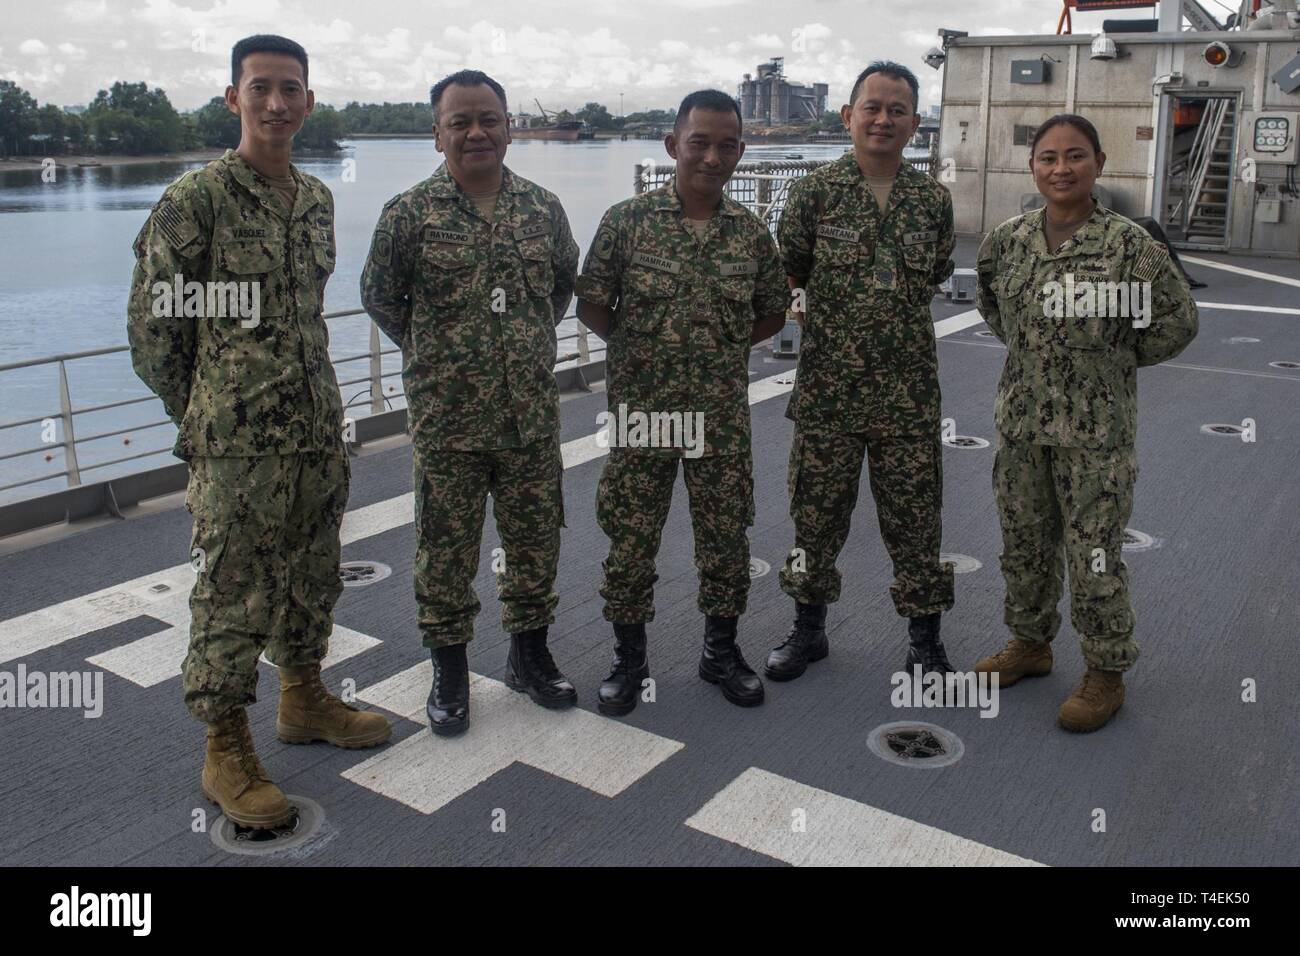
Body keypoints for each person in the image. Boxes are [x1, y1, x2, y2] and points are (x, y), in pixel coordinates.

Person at [127, 35, 390, 829]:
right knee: (232, 595)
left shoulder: (315, 199)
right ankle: (225, 748)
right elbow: (152, 332)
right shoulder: (195, 200)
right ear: (233, 97)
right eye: (261, 88)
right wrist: (209, 416)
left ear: (308, 102)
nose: (277, 103)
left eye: (291, 89)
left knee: (313, 576)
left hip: (316, 432)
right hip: (236, 450)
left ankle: (303, 698)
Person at [361, 70, 579, 736]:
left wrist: (516, 348)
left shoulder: (543, 209)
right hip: (447, 422)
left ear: (510, 126)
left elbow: (561, 288)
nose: (476, 132)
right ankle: (449, 672)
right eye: (460, 122)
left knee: (534, 544)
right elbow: (381, 298)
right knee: (445, 551)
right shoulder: (408, 215)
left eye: (489, 119)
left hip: (530, 419)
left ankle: (530, 656)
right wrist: (441, 356)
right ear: (438, 135)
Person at [972, 113, 1198, 732]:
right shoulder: (1008, 240)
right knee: (1023, 543)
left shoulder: (1130, 246)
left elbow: (1178, 322)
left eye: (1075, 156)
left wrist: (1113, 360)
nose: (1061, 168)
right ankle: (1030, 643)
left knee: (1094, 552)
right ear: (1033, 167)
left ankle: (1105, 670)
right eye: (1048, 157)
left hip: (1095, 437)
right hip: (1021, 427)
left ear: (1099, 163)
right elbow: (992, 306)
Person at [575, 90, 787, 714]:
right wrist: (642, 352)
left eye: (727, 145)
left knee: (725, 537)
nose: (712, 156)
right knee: (632, 537)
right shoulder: (626, 222)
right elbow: (593, 302)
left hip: (718, 416)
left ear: (741, 152)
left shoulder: (750, 234)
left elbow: (771, 311)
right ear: (673, 146)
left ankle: (721, 652)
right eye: (700, 142)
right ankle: (628, 658)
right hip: (644, 412)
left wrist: (717, 353)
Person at [769, 62, 957, 683]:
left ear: (916, 122)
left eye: (897, 109)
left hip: (907, 395)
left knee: (916, 519)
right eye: (872, 107)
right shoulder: (815, 192)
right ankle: (807, 629)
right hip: (828, 392)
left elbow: (933, 272)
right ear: (848, 116)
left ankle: (925, 642)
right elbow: (789, 266)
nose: (884, 119)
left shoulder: (931, 199)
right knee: (815, 517)